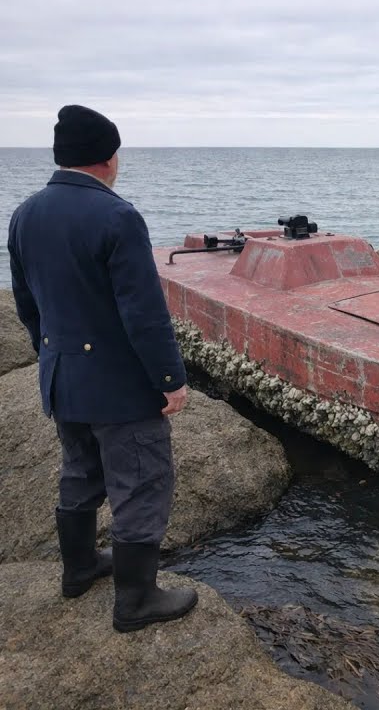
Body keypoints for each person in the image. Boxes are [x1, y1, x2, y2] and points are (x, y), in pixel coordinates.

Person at [7, 105, 197, 633]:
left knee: (79, 470)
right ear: (110, 158)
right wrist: (170, 380)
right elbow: (144, 312)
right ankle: (135, 602)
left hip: (62, 376)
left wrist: (51, 357)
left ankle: (79, 570)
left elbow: (28, 304)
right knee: (141, 483)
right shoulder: (117, 216)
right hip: (118, 388)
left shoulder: (24, 214)